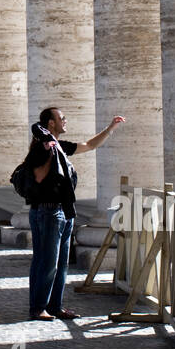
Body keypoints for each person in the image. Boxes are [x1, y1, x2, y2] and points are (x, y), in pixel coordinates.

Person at [23, 107, 125, 321]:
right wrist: (51, 153)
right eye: (62, 118)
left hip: (63, 211)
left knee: (60, 263)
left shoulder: (59, 146)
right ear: (51, 123)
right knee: (46, 262)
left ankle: (55, 307)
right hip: (47, 211)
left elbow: (89, 145)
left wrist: (110, 128)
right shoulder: (41, 148)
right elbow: (39, 177)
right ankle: (38, 308)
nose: (65, 121)